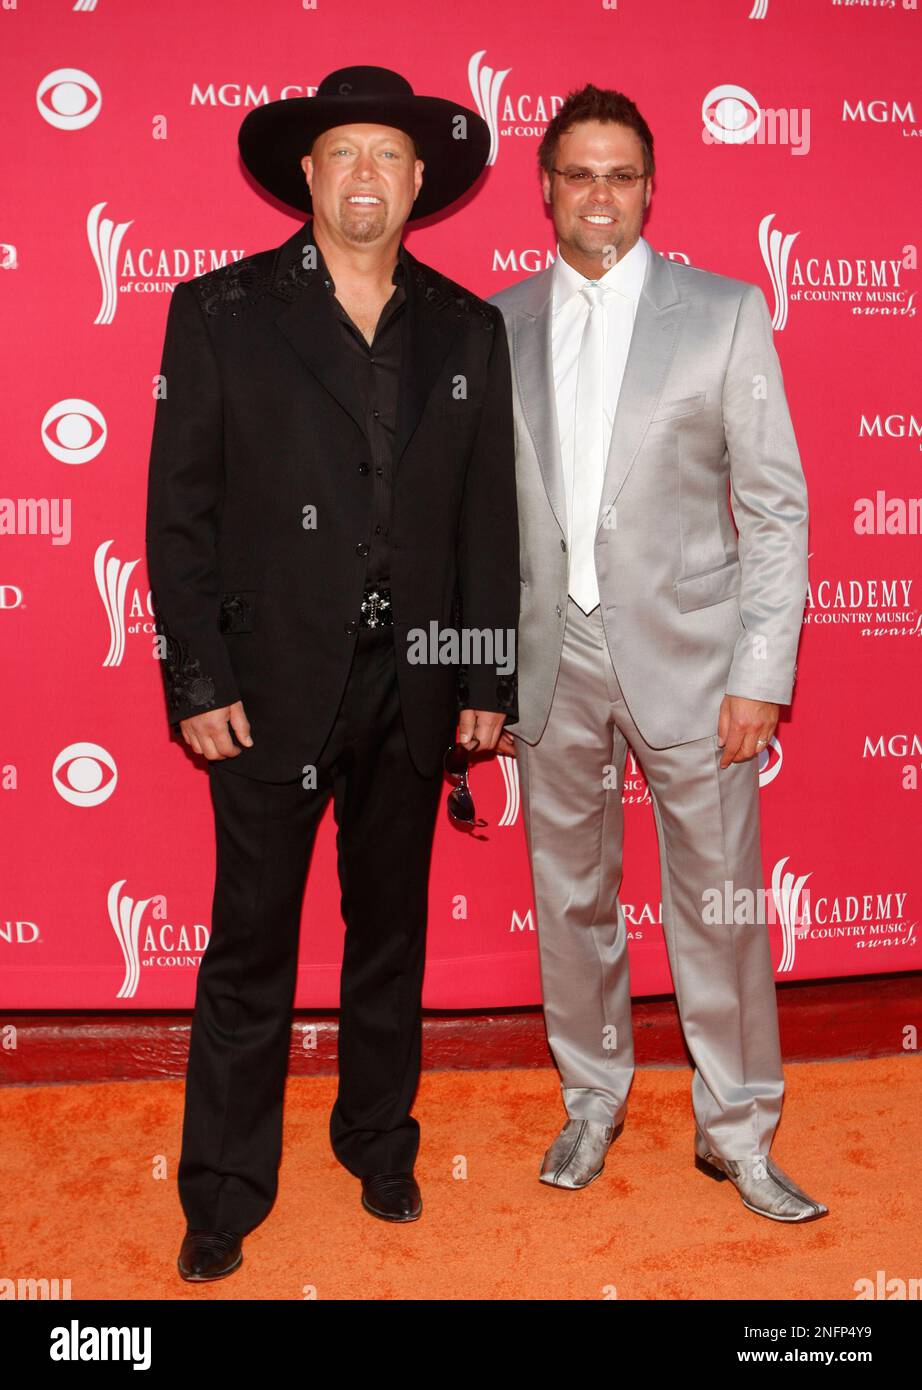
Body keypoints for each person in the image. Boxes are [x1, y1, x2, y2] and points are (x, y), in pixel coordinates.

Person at [145, 64, 519, 1282]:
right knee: (249, 943)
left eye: (390, 157)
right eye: (344, 154)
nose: (366, 175)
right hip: (266, 687)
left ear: (422, 183)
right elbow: (178, 515)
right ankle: (223, 1188)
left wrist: (482, 679)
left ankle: (378, 1138)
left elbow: (484, 525)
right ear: (308, 175)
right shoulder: (220, 314)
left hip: (411, 686)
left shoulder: (468, 327)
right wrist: (197, 681)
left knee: (389, 935)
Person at [490, 83, 826, 1222]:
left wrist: (759, 673)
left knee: (721, 904)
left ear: (649, 186)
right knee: (570, 896)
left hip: (695, 658)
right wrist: (483, 669)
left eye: (620, 175)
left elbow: (775, 506)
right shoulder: (495, 323)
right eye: (578, 173)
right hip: (552, 657)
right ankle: (591, 1099)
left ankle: (737, 1130)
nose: (599, 195)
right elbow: (472, 521)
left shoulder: (723, 311)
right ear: (545, 187)